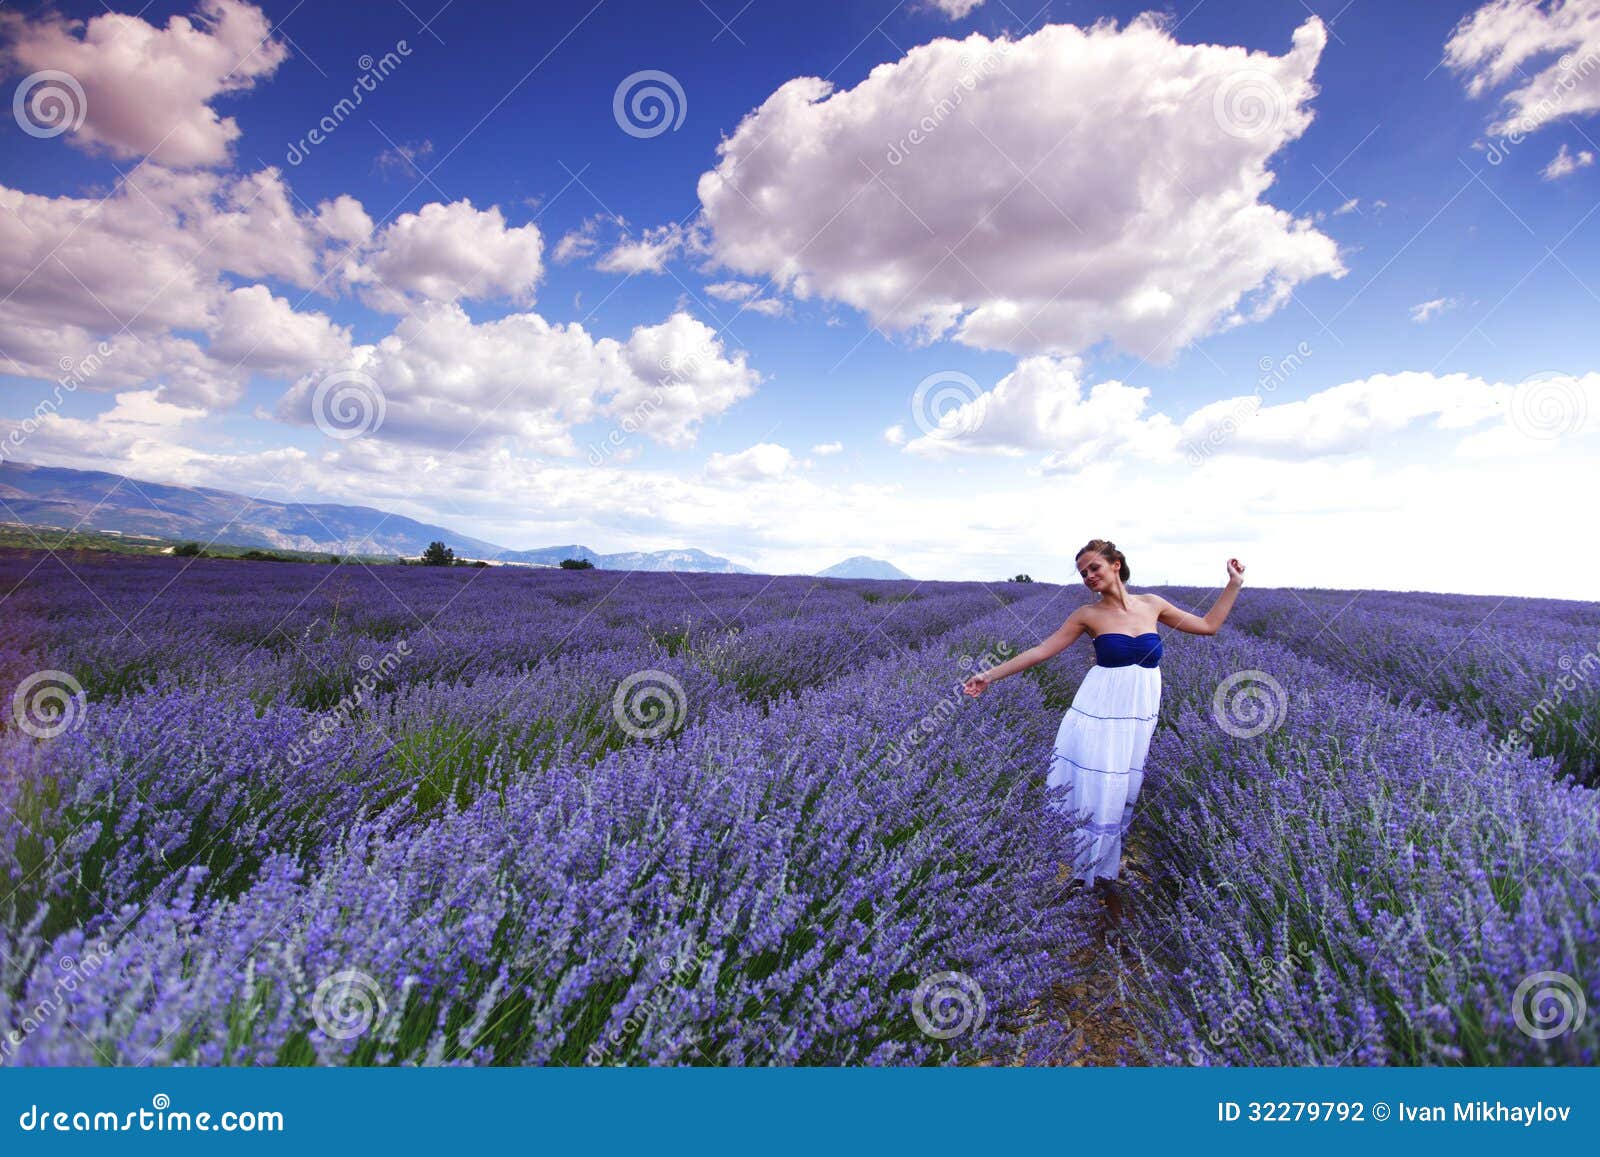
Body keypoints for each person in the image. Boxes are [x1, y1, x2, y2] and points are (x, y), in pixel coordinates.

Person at [962, 539, 1245, 943]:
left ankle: (1097, 876)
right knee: (1096, 792)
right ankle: (1092, 880)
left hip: (1136, 719)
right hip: (1096, 715)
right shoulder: (1087, 615)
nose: (1089, 577)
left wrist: (1232, 584)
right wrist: (989, 675)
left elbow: (1208, 626)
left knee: (1121, 791)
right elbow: (1043, 651)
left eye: (1094, 567)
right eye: (1083, 573)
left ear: (1116, 564)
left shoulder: (1153, 605)